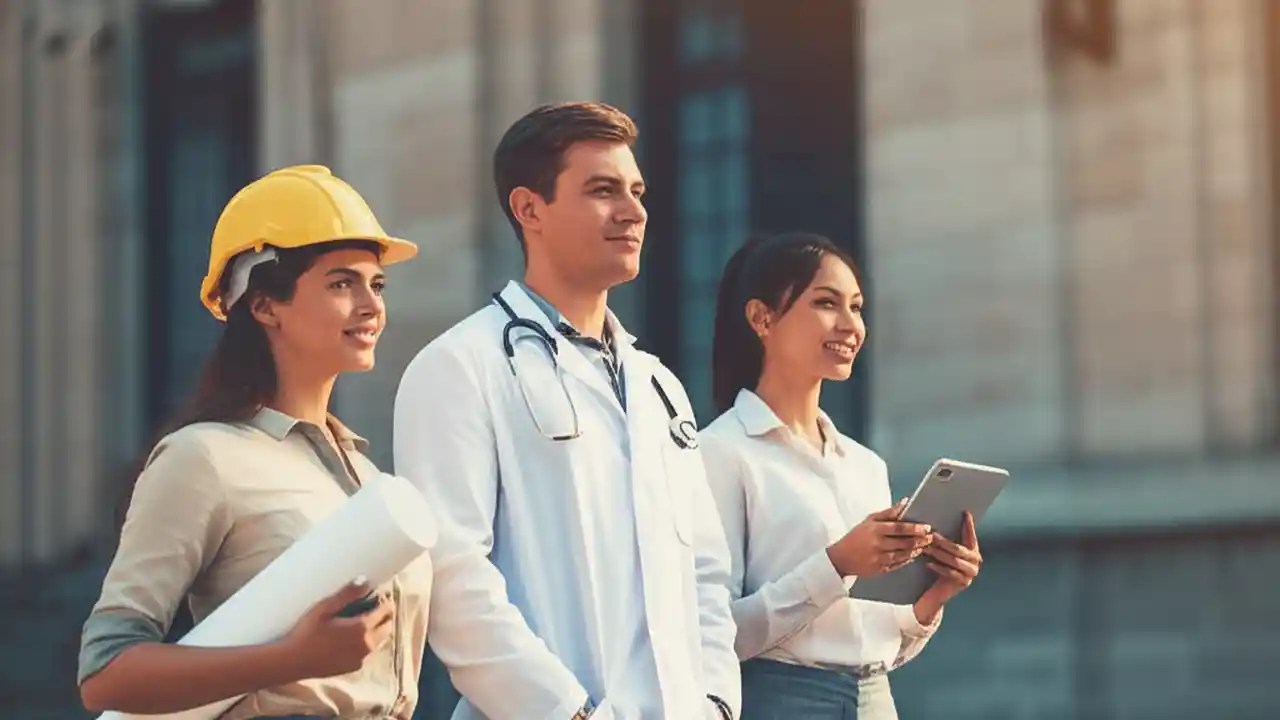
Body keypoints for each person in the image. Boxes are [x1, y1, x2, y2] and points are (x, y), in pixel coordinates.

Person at [394, 102, 739, 719]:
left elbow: (705, 573)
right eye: (603, 191)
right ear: (530, 209)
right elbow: (451, 575)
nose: (633, 212)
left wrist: (715, 703)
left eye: (637, 191)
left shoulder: (657, 384)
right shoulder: (458, 367)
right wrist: (567, 714)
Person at [78, 165, 434, 720]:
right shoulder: (203, 458)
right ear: (265, 305)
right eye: (342, 283)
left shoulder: (368, 478)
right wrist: (288, 659)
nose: (371, 305)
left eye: (377, 284)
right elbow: (106, 675)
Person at [700, 233, 984, 719]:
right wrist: (837, 564)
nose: (851, 325)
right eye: (827, 303)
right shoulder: (719, 453)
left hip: (876, 702)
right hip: (780, 701)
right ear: (761, 317)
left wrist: (932, 598)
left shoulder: (864, 465)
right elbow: (717, 634)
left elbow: (880, 644)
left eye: (857, 307)